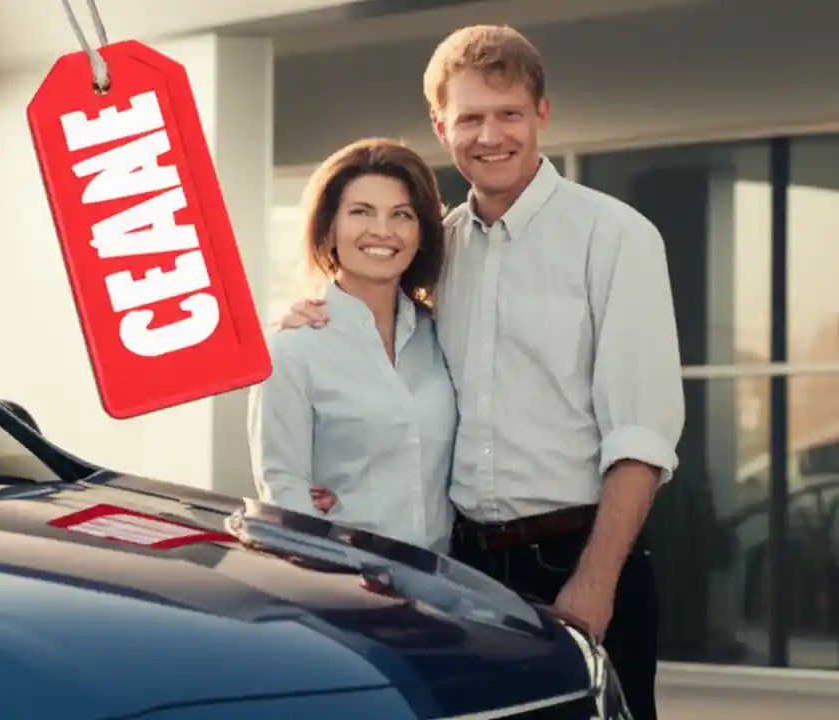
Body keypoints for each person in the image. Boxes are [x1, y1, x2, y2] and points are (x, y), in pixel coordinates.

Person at [277, 25, 684, 720]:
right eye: (469, 117)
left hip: (580, 556)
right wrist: (304, 312)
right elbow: (374, 320)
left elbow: (641, 438)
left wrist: (594, 581)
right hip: (462, 567)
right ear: (441, 125)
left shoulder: (616, 237)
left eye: (509, 114)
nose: (489, 135)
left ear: (542, 116)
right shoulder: (440, 248)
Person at [247, 137, 457, 554]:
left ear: (421, 232)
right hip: (344, 588)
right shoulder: (292, 351)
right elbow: (282, 492)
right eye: (361, 212)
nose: (382, 230)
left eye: (402, 214)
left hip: (445, 588)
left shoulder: (442, 337)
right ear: (329, 228)